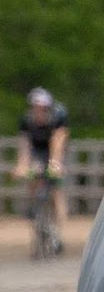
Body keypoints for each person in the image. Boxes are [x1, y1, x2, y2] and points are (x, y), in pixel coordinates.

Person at [13, 88, 68, 252]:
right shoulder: (27, 121)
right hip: (38, 151)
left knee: (56, 192)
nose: (39, 112)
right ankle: (34, 211)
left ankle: (59, 234)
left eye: (42, 108)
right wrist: (21, 166)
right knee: (33, 176)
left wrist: (55, 164)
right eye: (36, 108)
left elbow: (58, 142)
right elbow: (24, 147)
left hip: (55, 149)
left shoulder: (57, 118)